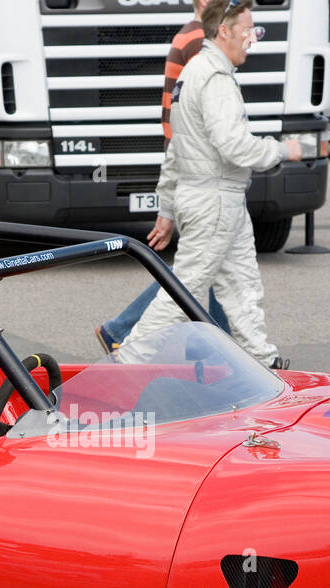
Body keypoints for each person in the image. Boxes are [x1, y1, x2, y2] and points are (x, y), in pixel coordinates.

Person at [121, 0, 299, 369]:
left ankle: (264, 362)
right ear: (224, 32)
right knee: (182, 294)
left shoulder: (191, 73)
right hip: (215, 199)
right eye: (249, 31)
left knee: (241, 287)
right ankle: (126, 364)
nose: (253, 39)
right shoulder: (215, 79)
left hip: (211, 198)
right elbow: (233, 146)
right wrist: (283, 149)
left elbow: (175, 150)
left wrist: (168, 208)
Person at [94, 0, 229, 353]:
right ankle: (122, 330)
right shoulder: (200, 40)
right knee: (199, 268)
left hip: (192, 162)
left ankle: (227, 351)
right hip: (199, 167)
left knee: (207, 266)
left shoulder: (192, 36)